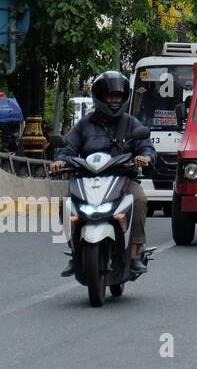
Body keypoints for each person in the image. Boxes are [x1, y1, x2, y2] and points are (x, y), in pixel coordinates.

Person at [53, 71, 156, 276]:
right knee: (65, 203)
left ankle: (135, 253)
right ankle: (75, 253)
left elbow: (146, 147)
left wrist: (145, 157)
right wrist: (59, 160)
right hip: (86, 180)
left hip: (123, 180)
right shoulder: (84, 124)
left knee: (139, 200)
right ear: (99, 98)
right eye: (109, 96)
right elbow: (67, 148)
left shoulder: (131, 124)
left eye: (117, 96)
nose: (114, 101)